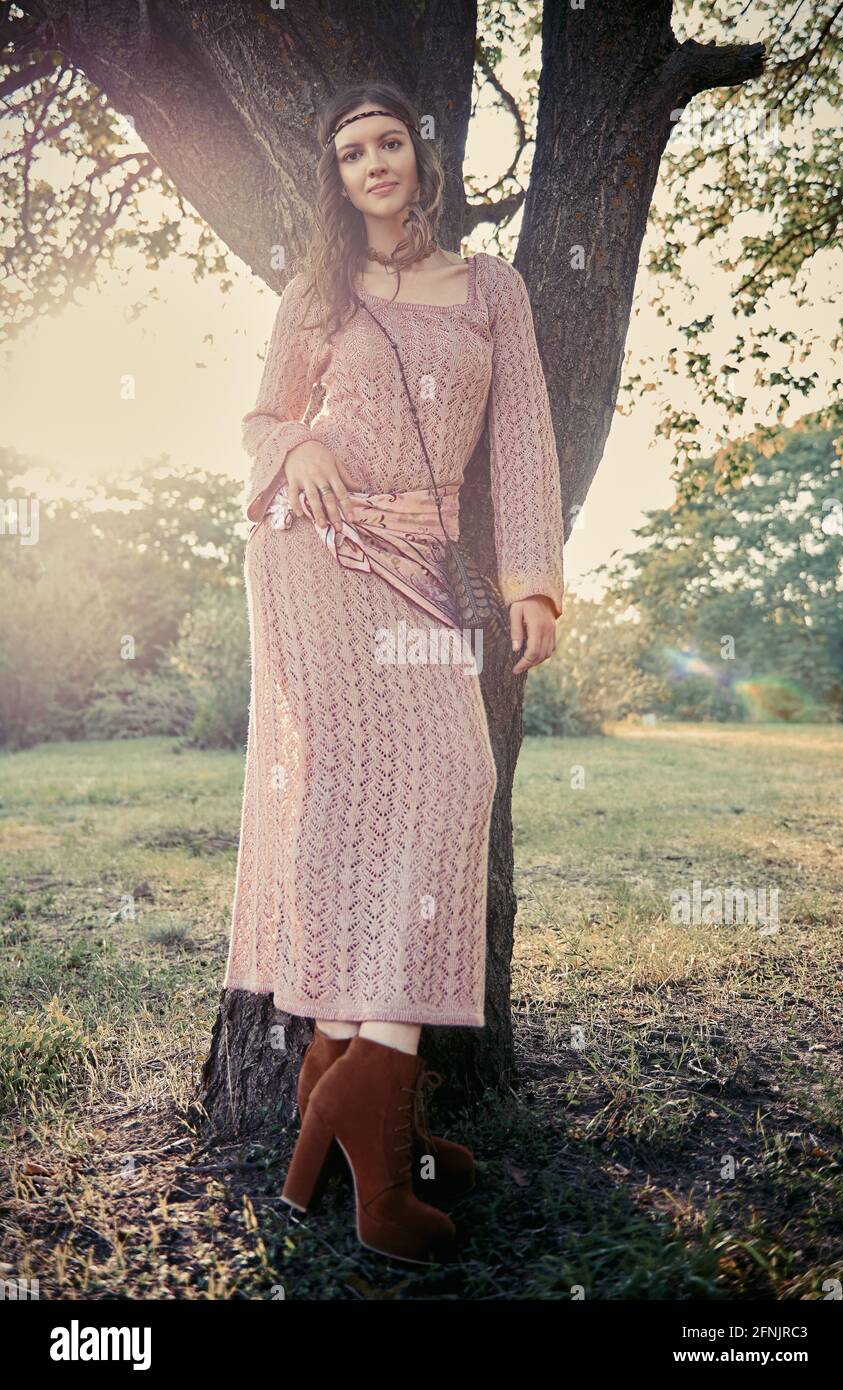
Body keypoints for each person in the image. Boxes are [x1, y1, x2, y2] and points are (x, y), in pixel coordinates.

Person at [224, 80, 565, 1264]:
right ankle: (376, 1126)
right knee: (342, 801)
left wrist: (532, 580)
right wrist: (301, 437)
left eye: (387, 145)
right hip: (312, 558)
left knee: (452, 778)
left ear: (421, 158)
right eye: (349, 151)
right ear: (336, 173)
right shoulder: (317, 292)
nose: (371, 165)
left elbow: (522, 434)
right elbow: (261, 420)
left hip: (421, 560)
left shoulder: (492, 290)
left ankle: (348, 1089)